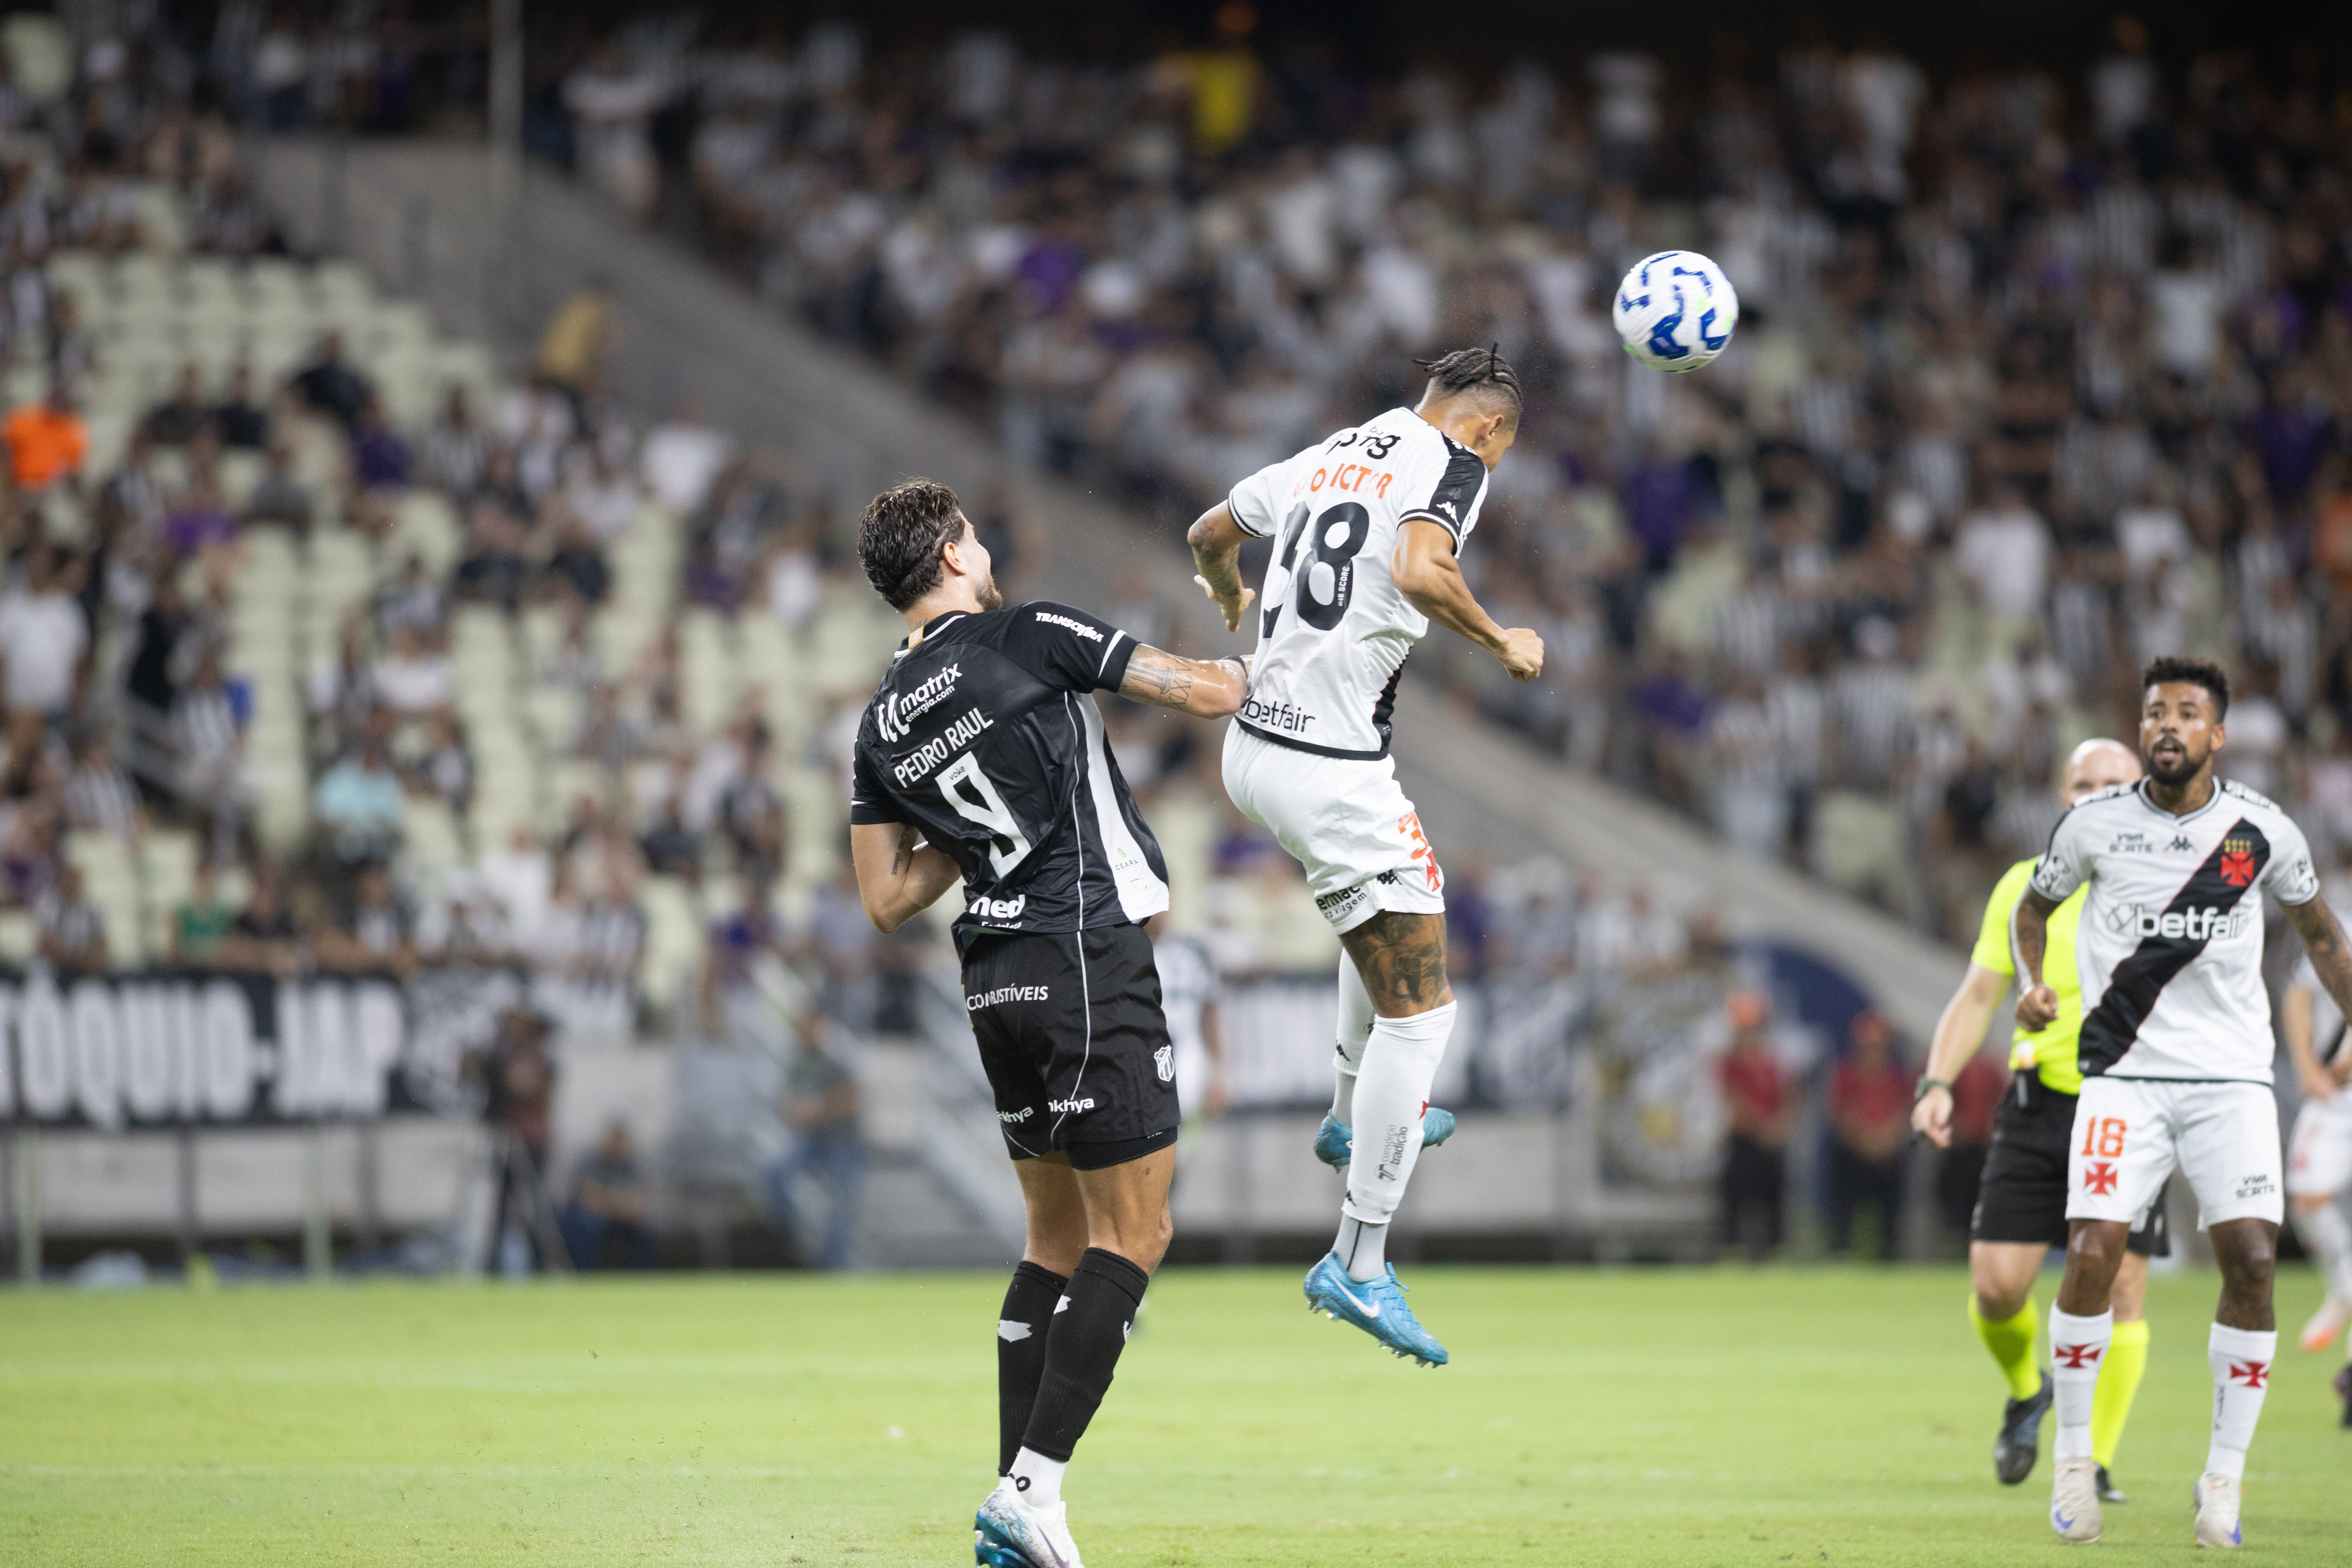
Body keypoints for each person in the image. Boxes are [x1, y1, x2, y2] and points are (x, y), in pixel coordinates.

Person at [844, 477, 1247, 1568]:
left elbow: (885, 898)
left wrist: (973, 836)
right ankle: (1034, 1490)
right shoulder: (1027, 634)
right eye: (973, 538)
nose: (986, 552)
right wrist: (1269, 666)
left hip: (994, 977)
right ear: (953, 558)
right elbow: (1203, 695)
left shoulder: (882, 721)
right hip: (1082, 953)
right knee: (1137, 1235)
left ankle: (1018, 1500)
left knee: (1054, 1243)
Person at [1186, 346, 1544, 1365]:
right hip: (1329, 769)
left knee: (1388, 912)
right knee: (1424, 1013)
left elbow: (1210, 534)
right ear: (1487, 429)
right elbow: (1421, 569)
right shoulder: (1452, 465)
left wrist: (1227, 593)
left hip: (1253, 747)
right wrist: (1502, 640)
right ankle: (1361, 1254)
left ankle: (1350, 1118)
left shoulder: (1337, 449)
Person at [2013, 657, 2352, 1547]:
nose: (2166, 725)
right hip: (2122, 1077)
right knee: (2092, 1252)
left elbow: (2322, 938)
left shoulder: (2261, 832)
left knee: (2250, 1259)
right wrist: (2027, 982)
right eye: (2155, 712)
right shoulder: (2092, 822)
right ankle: (2076, 1459)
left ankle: (2223, 1478)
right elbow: (2033, 908)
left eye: (2187, 713)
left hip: (2231, 1080)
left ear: (2218, 734)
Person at [1915, 737, 2162, 1500]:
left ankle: (2097, 1461)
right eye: (2081, 783)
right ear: (2063, 798)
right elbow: (1979, 992)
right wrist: (1936, 1080)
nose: (2094, 794)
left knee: (2121, 1285)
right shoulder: (2024, 886)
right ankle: (2030, 1390)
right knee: (1995, 1287)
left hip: (2128, 1104)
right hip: (2037, 1103)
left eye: (2112, 783)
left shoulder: (2172, 888)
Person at [2279, 946, 2352, 1424]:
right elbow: (2299, 993)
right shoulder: (2341, 920)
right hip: (2336, 1093)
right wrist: (2307, 1064)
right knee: (2306, 1197)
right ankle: (2345, 1289)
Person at [765, 1027, 863, 1270]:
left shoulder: (836, 1063)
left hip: (843, 1143)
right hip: (813, 1143)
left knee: (842, 1203)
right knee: (775, 1175)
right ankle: (797, 1237)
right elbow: (784, 1105)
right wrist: (794, 1112)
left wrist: (818, 1111)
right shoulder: (799, 1066)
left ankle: (833, 1266)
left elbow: (852, 1099)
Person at [1824, 1010, 1916, 1258]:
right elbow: (1841, 1115)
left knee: (1892, 1203)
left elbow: (1904, 1114)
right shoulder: (1846, 1074)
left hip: (1889, 1152)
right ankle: (1843, 1250)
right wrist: (1866, 1141)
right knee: (1845, 1189)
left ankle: (1889, 1252)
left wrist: (1885, 1141)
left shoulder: (1898, 1078)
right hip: (1854, 1151)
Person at [1716, 991, 1791, 1259]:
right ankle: (1732, 1250)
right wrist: (1765, 1128)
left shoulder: (1772, 1062)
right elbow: (1735, 1102)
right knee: (1737, 1198)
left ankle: (1775, 1251)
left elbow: (1787, 1098)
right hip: (1744, 1140)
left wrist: (1780, 1126)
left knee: (1774, 1198)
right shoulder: (1731, 1062)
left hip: (1770, 1142)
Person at [561, 1121, 657, 1270]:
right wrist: (619, 1204)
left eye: (621, 1141)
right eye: (614, 1139)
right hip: (591, 1217)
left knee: (646, 1230)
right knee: (585, 1225)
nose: (617, 1145)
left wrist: (611, 1203)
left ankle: (642, 1280)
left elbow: (639, 1205)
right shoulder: (590, 1161)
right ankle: (584, 1276)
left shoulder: (632, 1166)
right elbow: (588, 1198)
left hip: (620, 1220)